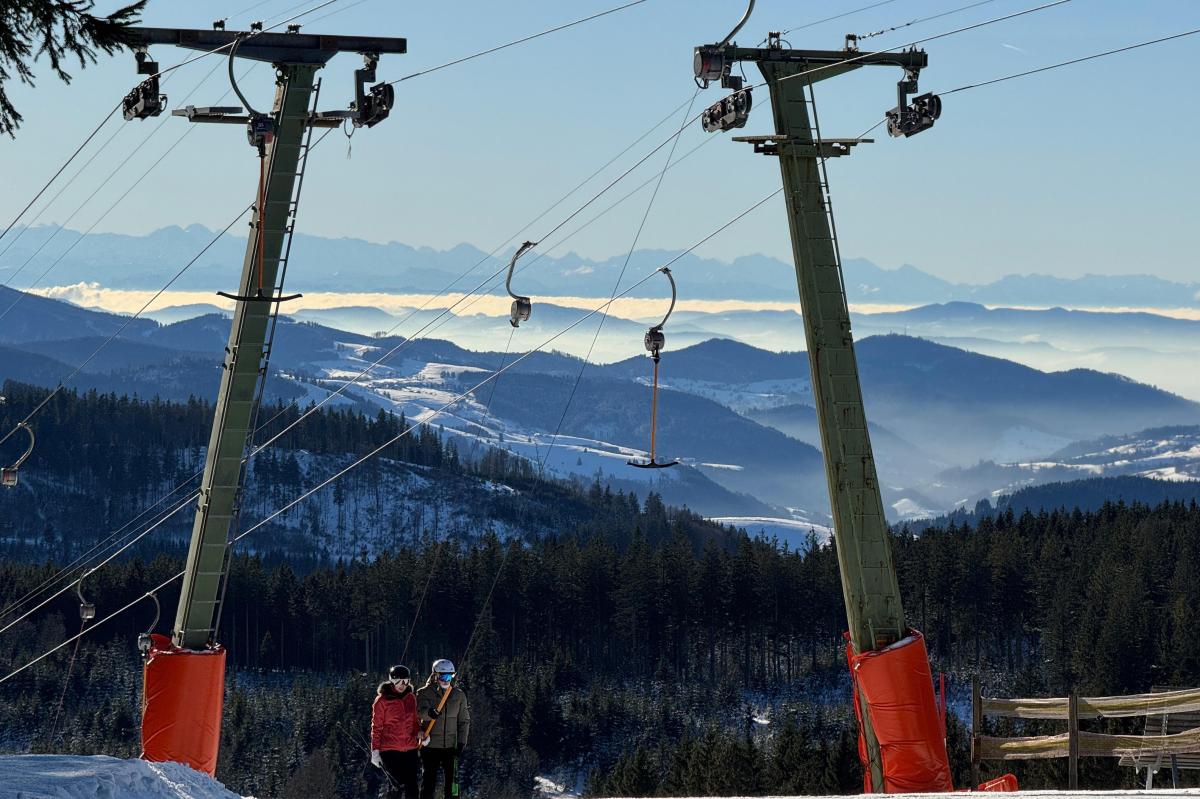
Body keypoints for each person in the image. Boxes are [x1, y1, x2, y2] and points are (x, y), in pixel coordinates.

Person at [416, 658, 470, 799]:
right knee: (428, 784)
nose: (446, 680)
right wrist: (429, 713)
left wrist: (461, 743)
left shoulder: (459, 695)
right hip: (430, 747)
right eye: (442, 676)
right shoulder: (424, 693)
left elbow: (464, 721)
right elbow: (419, 712)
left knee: (453, 788)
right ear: (435, 675)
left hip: (450, 747)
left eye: (449, 676)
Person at [371, 664, 422, 798]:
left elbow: (415, 722)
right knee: (397, 784)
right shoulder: (382, 700)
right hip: (390, 749)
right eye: (398, 681)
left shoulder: (411, 698)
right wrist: (375, 751)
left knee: (412, 785)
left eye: (406, 681)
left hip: (410, 748)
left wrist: (419, 733)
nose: (402, 685)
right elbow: (376, 727)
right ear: (391, 680)